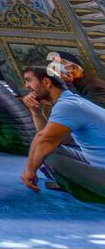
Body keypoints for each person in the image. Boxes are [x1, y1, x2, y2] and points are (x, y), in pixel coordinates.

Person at [21, 65, 105, 203]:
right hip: (98, 165)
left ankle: (93, 196)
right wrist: (36, 112)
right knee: (47, 151)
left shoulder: (67, 106)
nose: (26, 86)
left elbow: (43, 139)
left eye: (29, 80)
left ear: (46, 82)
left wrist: (29, 170)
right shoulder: (72, 101)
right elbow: (46, 138)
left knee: (52, 159)